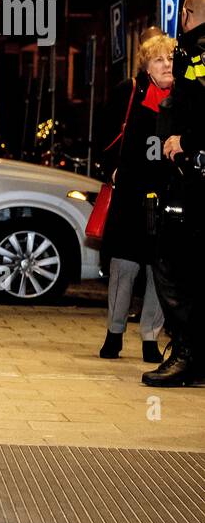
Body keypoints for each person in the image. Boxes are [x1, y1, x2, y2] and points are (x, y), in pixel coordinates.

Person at [95, 28, 173, 362]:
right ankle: (114, 333)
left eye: (170, 58)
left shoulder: (183, 98)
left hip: (168, 197)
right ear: (146, 65)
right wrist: (112, 170)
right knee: (124, 267)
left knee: (160, 270)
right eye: (159, 59)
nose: (167, 64)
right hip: (130, 196)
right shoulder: (129, 91)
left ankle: (150, 338)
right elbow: (104, 135)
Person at [144, 0, 205, 386]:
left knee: (174, 262)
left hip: (196, 178)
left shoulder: (196, 49)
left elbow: (200, 104)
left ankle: (187, 353)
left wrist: (186, 141)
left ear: (186, 13)